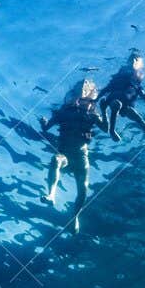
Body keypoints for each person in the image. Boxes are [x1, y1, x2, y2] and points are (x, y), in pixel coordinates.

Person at [39, 79, 104, 232]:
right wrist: (44, 123)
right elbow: (47, 128)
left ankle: (75, 217)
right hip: (65, 154)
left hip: (82, 157)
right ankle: (51, 195)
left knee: (83, 190)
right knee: (55, 159)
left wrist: (106, 114)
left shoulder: (92, 114)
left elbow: (106, 128)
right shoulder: (62, 112)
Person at [98, 50, 145, 140]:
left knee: (138, 118)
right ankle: (112, 131)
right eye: (132, 60)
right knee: (117, 104)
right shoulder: (119, 76)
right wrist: (96, 98)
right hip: (112, 101)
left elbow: (144, 97)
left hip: (126, 107)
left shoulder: (137, 84)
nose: (133, 61)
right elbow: (107, 88)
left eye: (135, 60)